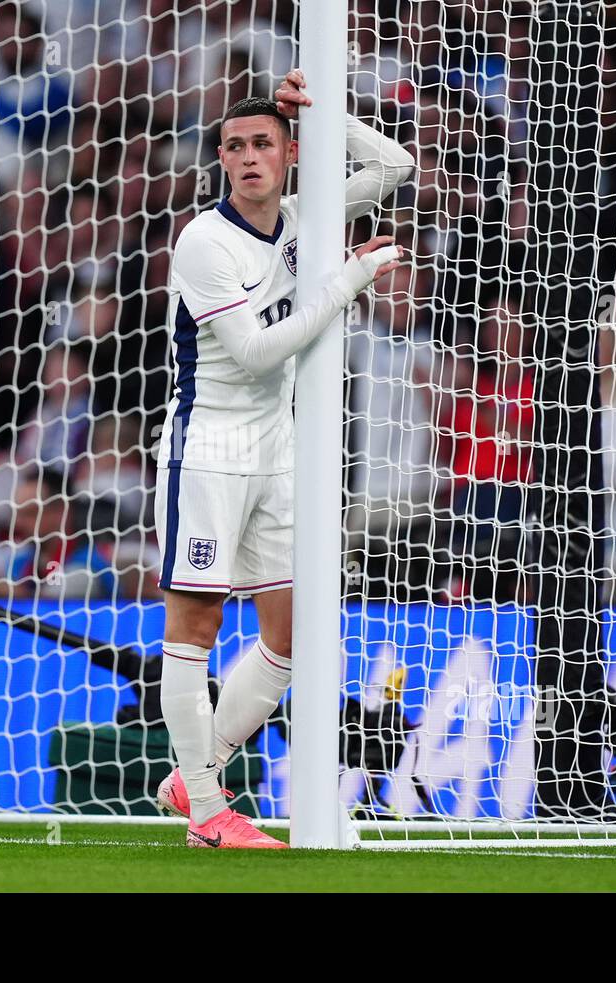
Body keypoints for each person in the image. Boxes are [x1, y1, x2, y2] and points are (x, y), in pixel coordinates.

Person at [152, 70, 412, 848]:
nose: (247, 157)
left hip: (275, 449)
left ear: (290, 153)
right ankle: (206, 806)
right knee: (197, 620)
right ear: (223, 162)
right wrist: (349, 279)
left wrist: (324, 106)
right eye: (233, 147)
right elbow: (260, 353)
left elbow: (394, 168)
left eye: (263, 142)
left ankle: (196, 771)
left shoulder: (304, 215)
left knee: (295, 631)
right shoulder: (204, 240)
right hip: (207, 448)